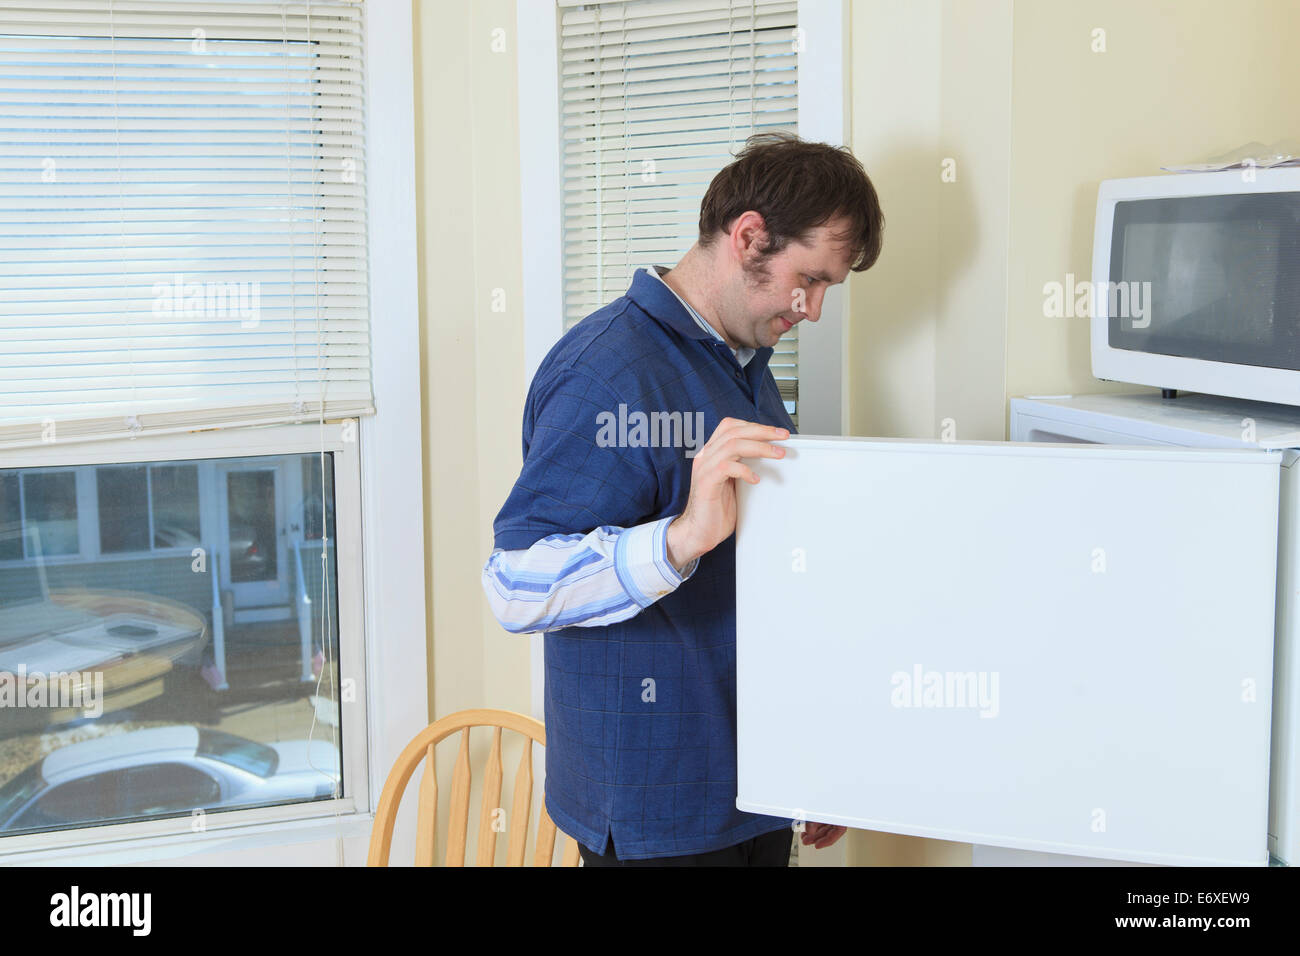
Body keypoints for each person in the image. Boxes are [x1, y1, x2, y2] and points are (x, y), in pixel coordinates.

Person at [482, 132, 884, 866]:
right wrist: (678, 539)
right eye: (811, 280)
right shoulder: (606, 373)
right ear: (750, 237)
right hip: (654, 815)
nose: (816, 309)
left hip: (753, 792)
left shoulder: (742, 363)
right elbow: (512, 585)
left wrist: (812, 760)